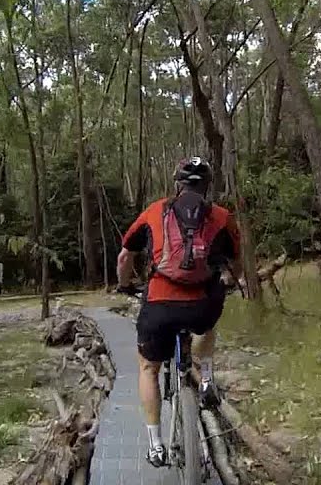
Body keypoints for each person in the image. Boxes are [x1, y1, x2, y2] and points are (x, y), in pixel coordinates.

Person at [116, 156, 243, 467]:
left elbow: (124, 256)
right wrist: (229, 281)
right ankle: (206, 379)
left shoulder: (154, 211)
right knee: (208, 324)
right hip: (201, 304)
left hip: (159, 303)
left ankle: (155, 444)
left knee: (149, 368)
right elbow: (236, 261)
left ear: (177, 184)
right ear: (207, 186)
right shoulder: (222, 216)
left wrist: (124, 285)